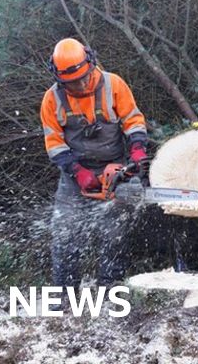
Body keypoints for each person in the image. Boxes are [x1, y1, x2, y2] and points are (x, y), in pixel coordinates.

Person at [39, 37, 149, 287]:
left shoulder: (114, 84)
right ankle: (66, 295)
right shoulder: (52, 99)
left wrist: (138, 150)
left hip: (115, 166)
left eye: (82, 78)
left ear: (90, 64)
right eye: (72, 82)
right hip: (74, 175)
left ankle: (109, 289)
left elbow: (133, 121)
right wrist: (77, 171)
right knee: (65, 232)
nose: (79, 85)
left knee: (115, 233)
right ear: (59, 78)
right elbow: (54, 143)